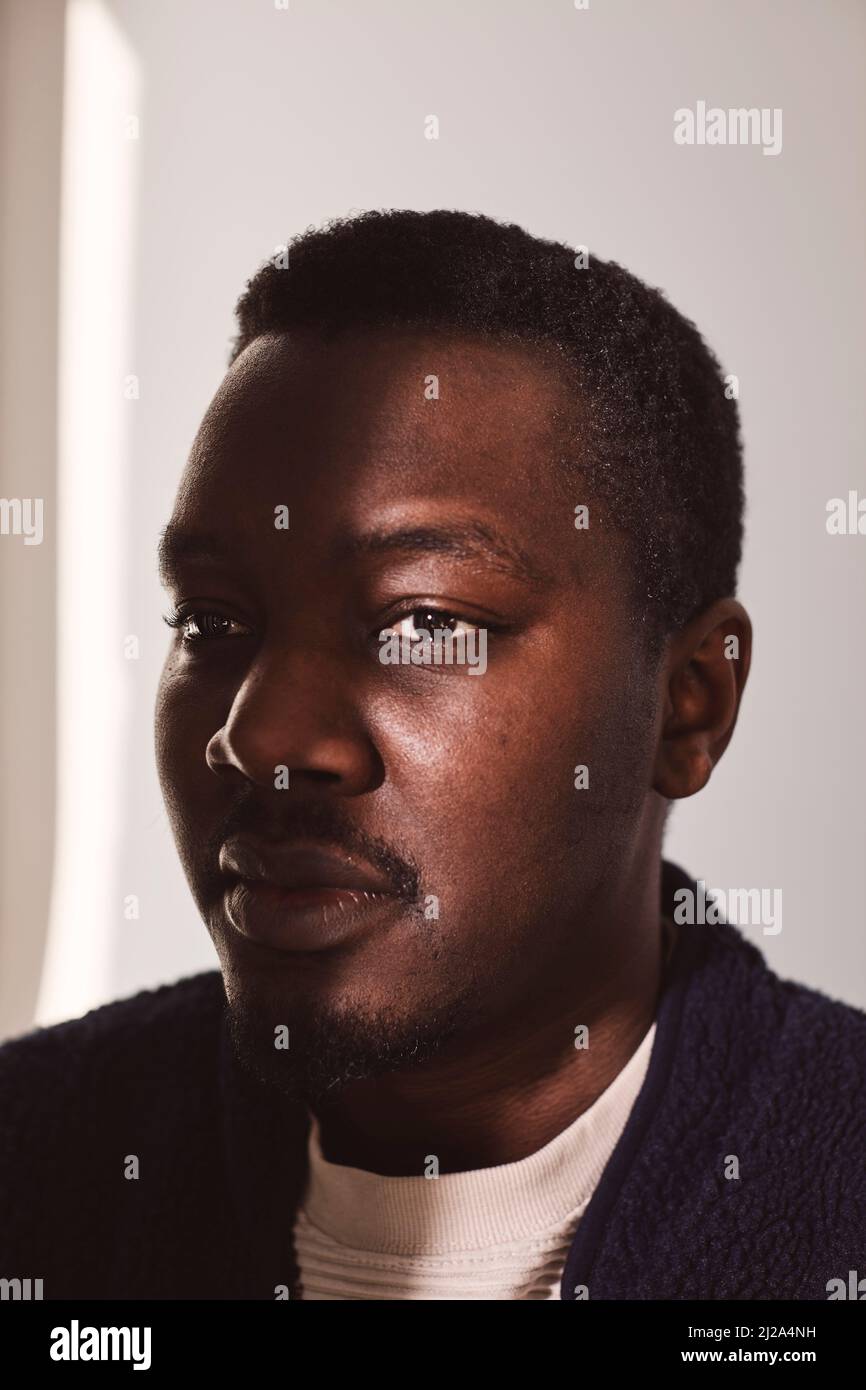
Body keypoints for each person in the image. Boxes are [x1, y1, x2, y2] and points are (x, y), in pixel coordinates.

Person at [2, 210, 864, 1301]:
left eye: (424, 623)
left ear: (688, 705)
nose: (260, 738)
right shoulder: (36, 1168)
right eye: (213, 622)